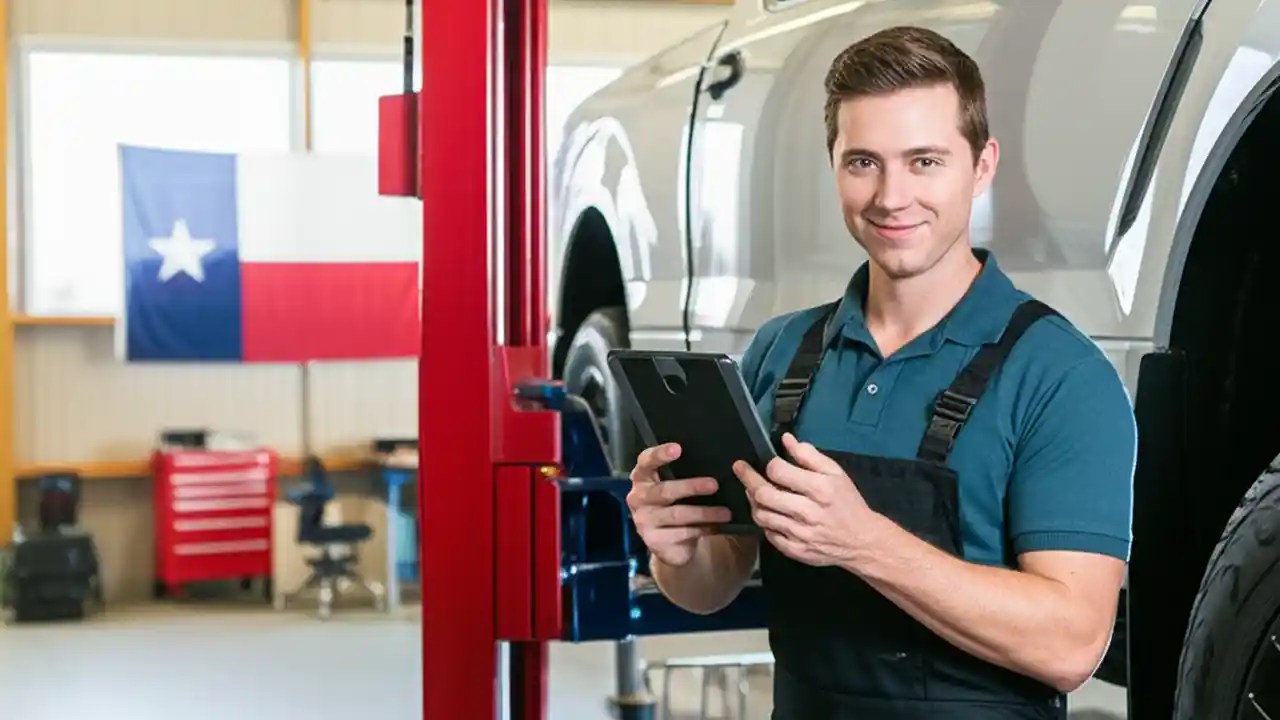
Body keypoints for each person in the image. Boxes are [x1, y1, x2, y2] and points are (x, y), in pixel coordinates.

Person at [625, 25, 1135, 719]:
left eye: (924, 162)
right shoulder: (783, 352)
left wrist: (866, 543)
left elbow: (1073, 645)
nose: (892, 197)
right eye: (863, 162)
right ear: (833, 163)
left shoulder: (1059, 376)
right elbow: (713, 585)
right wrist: (675, 549)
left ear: (983, 166)